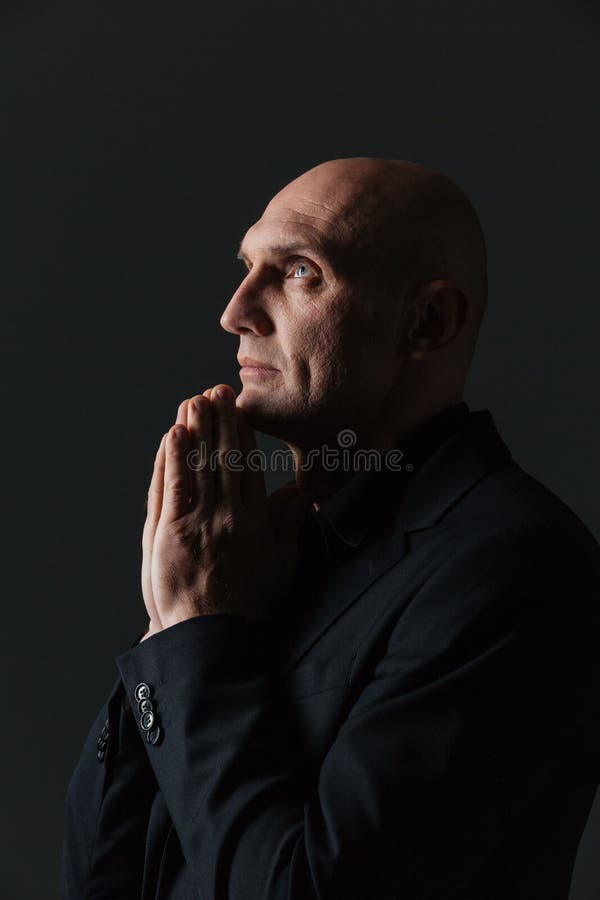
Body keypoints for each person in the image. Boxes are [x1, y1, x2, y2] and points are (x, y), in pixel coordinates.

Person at [61, 157, 600, 900]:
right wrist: (169, 623)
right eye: (248, 265)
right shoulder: (255, 553)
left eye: (300, 271)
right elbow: (106, 878)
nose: (235, 309)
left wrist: (193, 631)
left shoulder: (515, 568)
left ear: (429, 321)